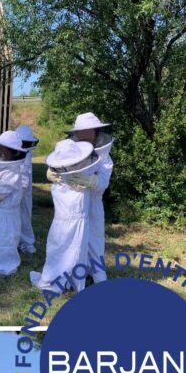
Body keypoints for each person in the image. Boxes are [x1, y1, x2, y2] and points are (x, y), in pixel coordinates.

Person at [30, 139, 101, 294]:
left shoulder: (85, 172)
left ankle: (73, 279)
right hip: (63, 219)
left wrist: (94, 181)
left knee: (76, 250)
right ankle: (57, 278)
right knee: (60, 248)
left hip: (78, 219)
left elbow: (99, 179)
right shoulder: (59, 174)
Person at [70, 112, 113, 284]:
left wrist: (92, 181)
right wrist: (54, 174)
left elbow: (103, 182)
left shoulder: (104, 157)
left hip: (93, 205)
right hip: (74, 204)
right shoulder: (73, 152)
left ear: (96, 133)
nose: (84, 137)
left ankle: (99, 278)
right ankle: (74, 275)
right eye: (81, 133)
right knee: (74, 241)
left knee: (94, 240)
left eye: (88, 132)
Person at [0, 130, 30, 277]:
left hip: (7, 213)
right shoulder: (3, 167)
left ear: (11, 151)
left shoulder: (14, 171)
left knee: (4, 239)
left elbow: (4, 189)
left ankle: (5, 267)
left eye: (3, 147)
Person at [14, 124, 40, 254]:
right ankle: (21, 243)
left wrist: (16, 194)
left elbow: (24, 179)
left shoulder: (26, 155)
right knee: (19, 216)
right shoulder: (23, 152)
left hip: (21, 192)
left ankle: (26, 244)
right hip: (18, 190)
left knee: (23, 216)